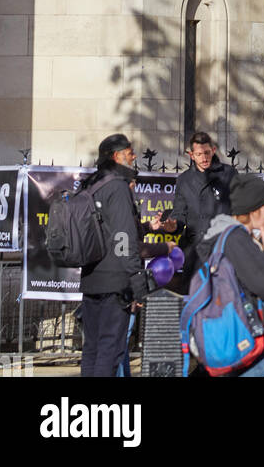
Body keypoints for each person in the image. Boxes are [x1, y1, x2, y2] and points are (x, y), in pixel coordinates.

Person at [195, 174, 264, 377]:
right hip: (248, 345)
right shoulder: (236, 239)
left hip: (229, 338)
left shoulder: (219, 237)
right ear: (254, 210)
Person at [80, 134, 150, 378]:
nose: (134, 156)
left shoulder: (91, 183)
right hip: (114, 282)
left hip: (91, 277)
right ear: (115, 156)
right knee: (110, 348)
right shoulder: (118, 186)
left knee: (91, 348)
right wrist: (138, 282)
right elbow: (123, 240)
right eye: (129, 151)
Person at [150, 131, 234, 279]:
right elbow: (179, 213)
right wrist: (173, 226)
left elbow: (238, 207)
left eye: (207, 153)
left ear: (213, 150)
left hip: (222, 247)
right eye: (199, 154)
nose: (204, 158)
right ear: (191, 155)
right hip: (194, 251)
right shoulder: (184, 180)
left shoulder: (229, 174)